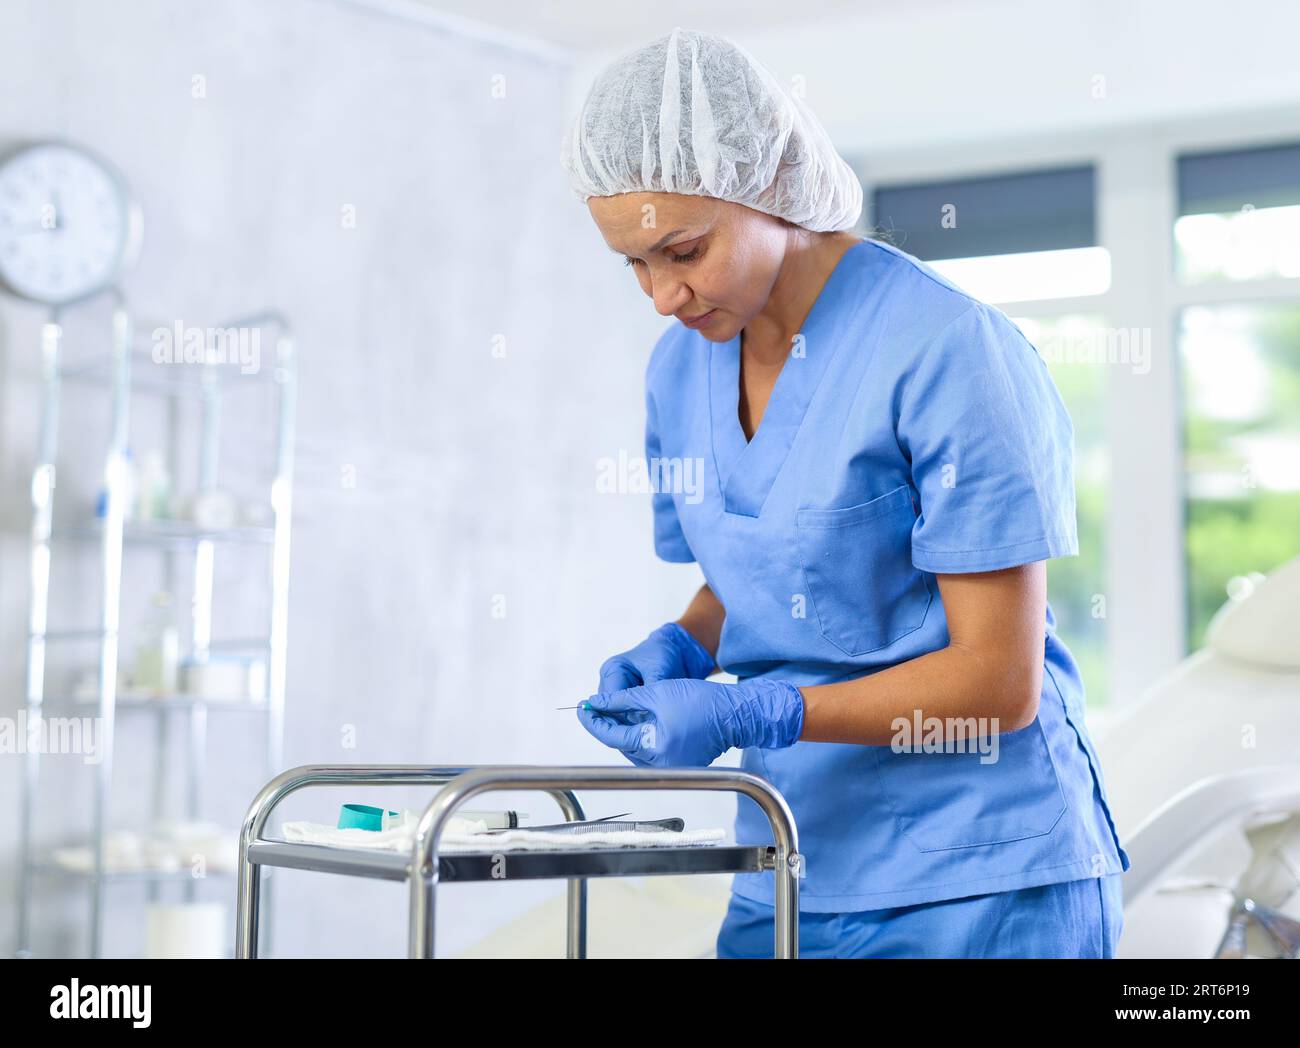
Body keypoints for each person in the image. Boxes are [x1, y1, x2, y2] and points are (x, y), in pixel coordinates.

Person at [560, 27, 1129, 959]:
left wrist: (759, 710)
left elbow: (998, 681)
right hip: (789, 863)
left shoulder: (946, 351)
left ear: (771, 186)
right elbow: (756, 569)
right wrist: (679, 646)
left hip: (982, 877)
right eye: (635, 264)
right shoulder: (678, 371)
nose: (662, 296)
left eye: (685, 250)